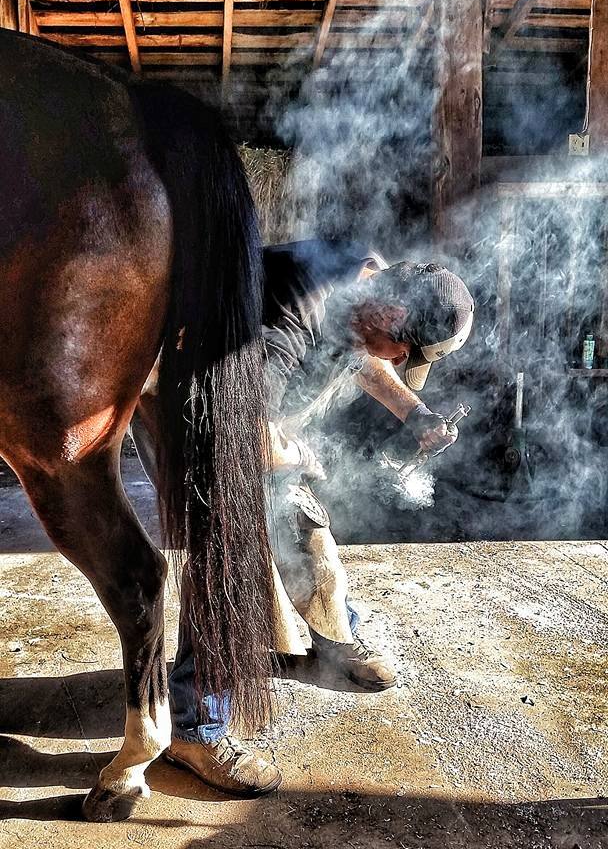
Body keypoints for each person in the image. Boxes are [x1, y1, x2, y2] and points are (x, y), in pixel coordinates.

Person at [130, 239, 474, 798]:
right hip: (187, 410)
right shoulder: (290, 310)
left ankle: (335, 634)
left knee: (305, 533)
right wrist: (299, 456)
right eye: (403, 352)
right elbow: (240, 426)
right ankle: (195, 726)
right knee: (232, 552)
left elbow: (363, 357)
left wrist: (415, 413)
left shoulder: (372, 283)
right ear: (393, 314)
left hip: (253, 412)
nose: (396, 363)